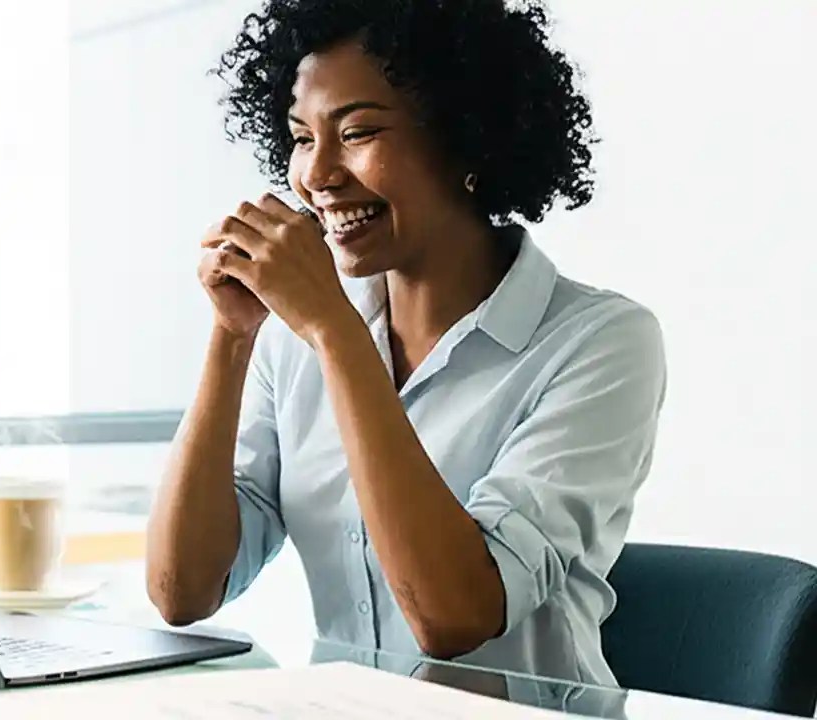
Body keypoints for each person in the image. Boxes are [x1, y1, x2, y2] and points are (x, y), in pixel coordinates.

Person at [145, 0, 667, 686]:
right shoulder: (293, 340)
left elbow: (454, 617)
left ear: (466, 140)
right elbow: (182, 592)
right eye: (301, 138)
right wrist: (232, 334)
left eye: (357, 132)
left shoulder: (599, 343)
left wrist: (336, 333)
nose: (317, 175)